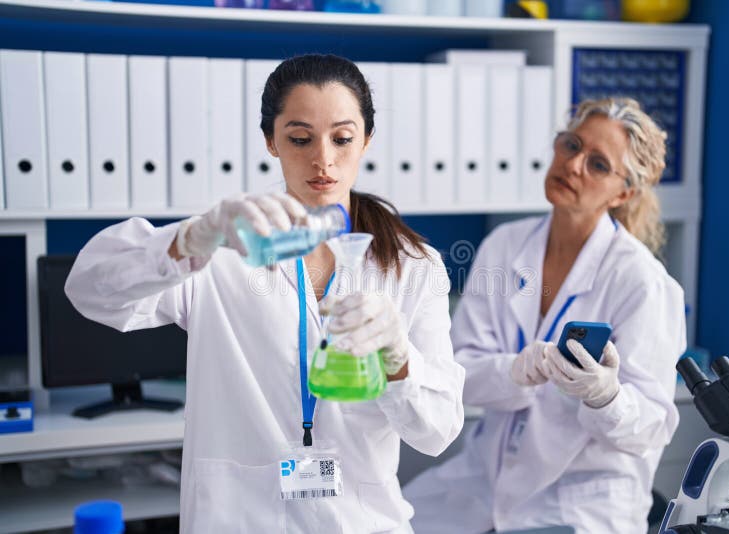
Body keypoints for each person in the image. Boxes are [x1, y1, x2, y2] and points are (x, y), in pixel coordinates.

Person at [65, 54, 464, 533]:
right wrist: (191, 238)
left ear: (367, 140)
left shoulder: (412, 266)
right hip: (239, 518)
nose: (323, 160)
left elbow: (438, 431)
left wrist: (399, 359)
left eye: (342, 139)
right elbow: (90, 290)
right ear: (271, 141)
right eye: (300, 139)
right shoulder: (223, 248)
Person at [404, 97, 687, 534]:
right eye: (571, 146)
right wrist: (513, 371)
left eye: (598, 164)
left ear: (624, 192)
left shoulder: (642, 283)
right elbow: (455, 373)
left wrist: (605, 397)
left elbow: (651, 428)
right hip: (482, 482)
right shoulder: (505, 245)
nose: (573, 166)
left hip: (582, 502)